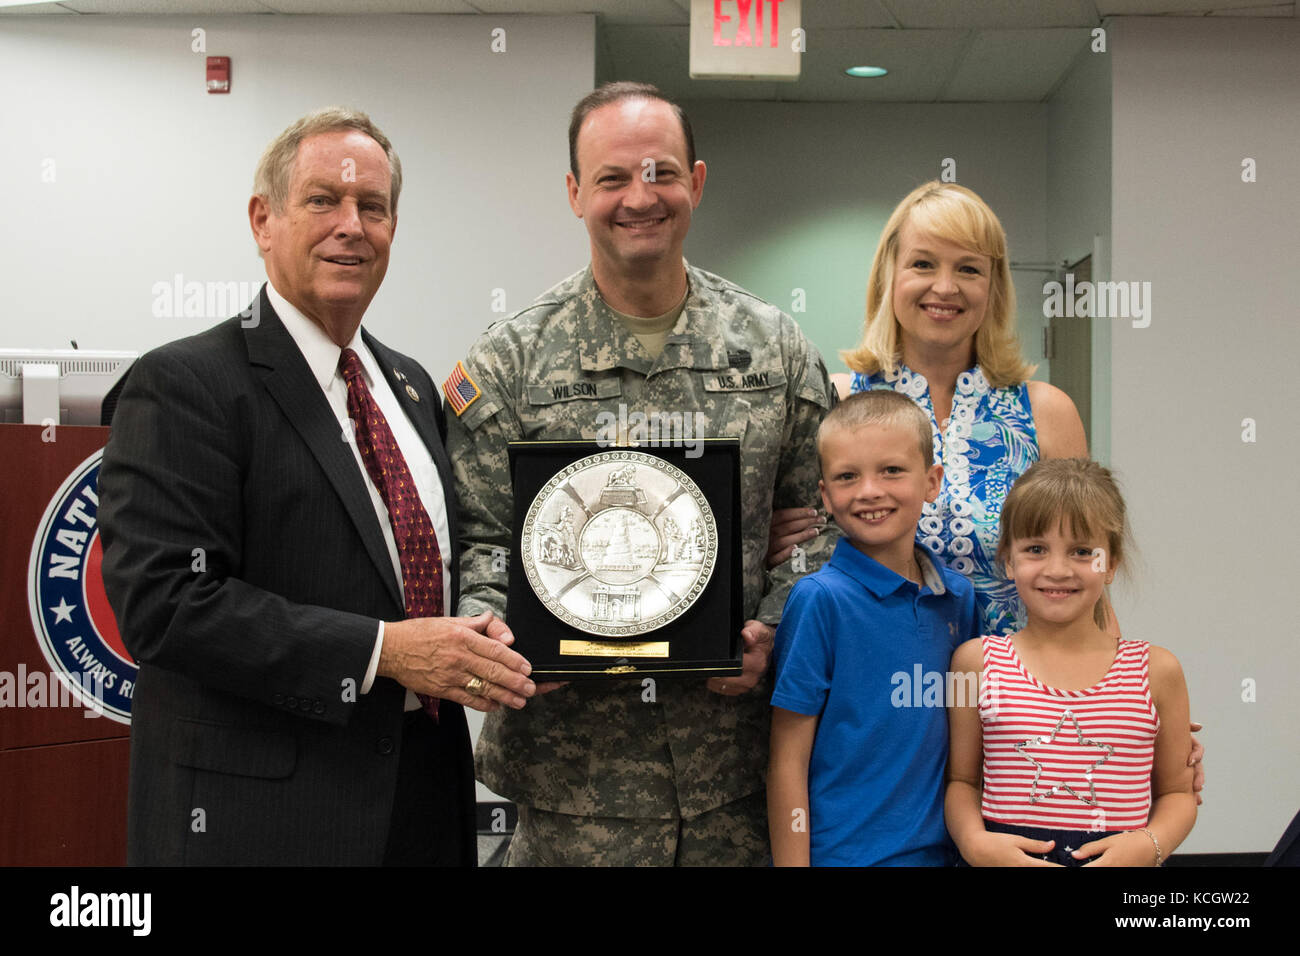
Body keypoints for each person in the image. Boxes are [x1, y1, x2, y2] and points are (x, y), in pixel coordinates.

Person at [98, 107, 536, 866]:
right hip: (260, 822)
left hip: (422, 804)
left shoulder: (410, 386)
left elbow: (442, 566)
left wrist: (500, 635)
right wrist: (382, 652)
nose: (351, 226)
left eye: (373, 206)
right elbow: (162, 603)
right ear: (263, 220)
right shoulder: (184, 383)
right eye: (323, 201)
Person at [444, 82, 833, 865]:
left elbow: (821, 527)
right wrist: (498, 634)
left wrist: (774, 629)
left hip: (737, 775)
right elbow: (480, 538)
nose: (639, 198)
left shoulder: (773, 349)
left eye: (659, 173)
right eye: (613, 178)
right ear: (574, 193)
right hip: (570, 786)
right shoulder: (511, 361)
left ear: (695, 180)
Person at [945, 458, 1196, 866]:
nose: (1058, 570)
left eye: (1082, 551)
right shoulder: (973, 663)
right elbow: (960, 780)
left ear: (1110, 563)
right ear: (1009, 560)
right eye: (1036, 549)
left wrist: (1148, 845)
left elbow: (1178, 793)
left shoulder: (1157, 670)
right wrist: (975, 843)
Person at [768, 390, 978, 866]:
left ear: (931, 481)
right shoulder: (819, 601)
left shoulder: (959, 600)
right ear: (825, 495)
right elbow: (787, 761)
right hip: (844, 857)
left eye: (891, 471)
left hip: (945, 855)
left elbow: (977, 735)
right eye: (847, 476)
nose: (868, 491)